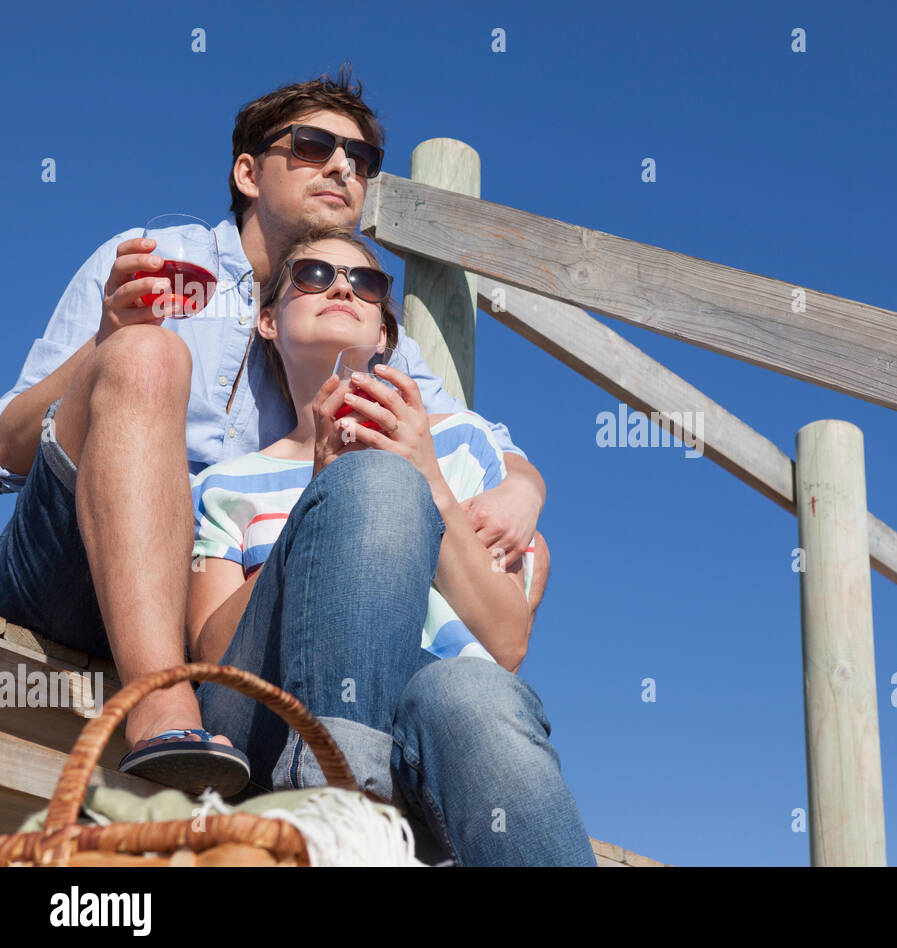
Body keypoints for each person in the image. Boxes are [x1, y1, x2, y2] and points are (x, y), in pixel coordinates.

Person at [0, 67, 547, 796]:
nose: (342, 167)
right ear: (249, 172)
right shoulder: (149, 258)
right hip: (74, 572)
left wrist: (523, 488)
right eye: (315, 145)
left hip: (231, 619)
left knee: (396, 497)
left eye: (361, 160)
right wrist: (102, 345)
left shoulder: (361, 322)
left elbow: (472, 439)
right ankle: (160, 703)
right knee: (148, 353)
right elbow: (8, 449)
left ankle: (360, 768)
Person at [186, 226, 594, 865]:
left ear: (383, 334)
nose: (343, 286)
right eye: (314, 275)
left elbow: (507, 640)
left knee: (474, 694)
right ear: (267, 319)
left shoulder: (461, 444)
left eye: (367, 282)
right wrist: (320, 500)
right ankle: (342, 809)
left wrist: (428, 478)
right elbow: (213, 654)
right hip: (266, 726)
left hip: (434, 730)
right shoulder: (226, 482)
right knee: (371, 480)